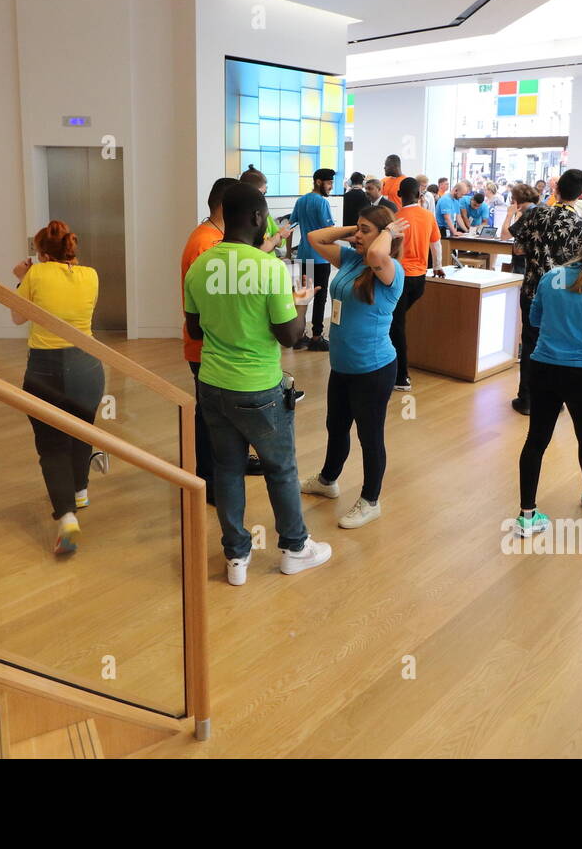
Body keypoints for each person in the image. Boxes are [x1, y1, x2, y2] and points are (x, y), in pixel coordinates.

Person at [184, 182, 330, 585]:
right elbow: (290, 336)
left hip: (212, 384)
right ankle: (295, 549)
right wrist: (300, 301)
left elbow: (194, 330)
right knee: (281, 469)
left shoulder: (201, 265)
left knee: (227, 469)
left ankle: (236, 558)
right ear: (256, 218)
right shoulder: (268, 268)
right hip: (260, 388)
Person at [299, 206, 406, 529]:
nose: (358, 236)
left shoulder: (390, 269)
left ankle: (370, 500)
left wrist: (385, 233)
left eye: (365, 230)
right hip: (342, 365)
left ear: (386, 237)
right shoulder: (350, 259)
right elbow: (314, 237)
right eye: (357, 229)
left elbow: (376, 254)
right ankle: (328, 479)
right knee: (336, 425)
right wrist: (356, 230)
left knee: (370, 437)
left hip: (373, 368)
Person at [513, 230, 582, 537]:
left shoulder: (552, 277)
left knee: (536, 439)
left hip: (544, 367)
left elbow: (534, 319)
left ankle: (527, 514)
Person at [10, 221, 104, 556]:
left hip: (44, 370)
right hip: (87, 366)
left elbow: (17, 318)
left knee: (51, 445)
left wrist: (22, 277)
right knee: (80, 432)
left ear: (42, 253)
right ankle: (79, 491)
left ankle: (67, 519)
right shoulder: (91, 275)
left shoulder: (35, 275)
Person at [508, 169, 582, 415]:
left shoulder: (536, 213)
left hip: (533, 288)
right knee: (560, 344)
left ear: (555, 190)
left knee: (532, 342)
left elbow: (518, 249)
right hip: (565, 294)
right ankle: (553, 400)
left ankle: (526, 398)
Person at [180, 178, 237, 506]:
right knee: (210, 416)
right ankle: (209, 479)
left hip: (209, 346)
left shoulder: (212, 237)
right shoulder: (207, 244)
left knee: (215, 414)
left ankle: (217, 473)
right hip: (205, 347)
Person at [388, 177, 442, 392]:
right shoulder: (428, 216)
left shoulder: (396, 218)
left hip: (400, 277)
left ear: (400, 194)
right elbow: (436, 245)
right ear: (419, 195)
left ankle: (401, 376)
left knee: (396, 326)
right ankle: (395, 369)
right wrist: (437, 266)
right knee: (395, 323)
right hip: (419, 279)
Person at [291, 168, 337, 352]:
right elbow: (330, 231)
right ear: (318, 182)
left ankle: (298, 336)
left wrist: (288, 252)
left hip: (303, 255)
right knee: (320, 297)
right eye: (329, 183)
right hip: (320, 257)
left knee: (302, 297)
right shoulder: (322, 203)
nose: (331, 187)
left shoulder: (301, 201)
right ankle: (317, 337)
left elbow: (291, 225)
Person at [239, 165, 293, 255]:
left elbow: (280, 243)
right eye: (261, 193)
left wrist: (278, 237)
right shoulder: (239, 217)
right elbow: (260, 249)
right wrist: (278, 236)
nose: (262, 198)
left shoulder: (265, 215)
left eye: (264, 194)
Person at [502, 182, 540, 277]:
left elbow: (504, 235)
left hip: (523, 264)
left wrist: (509, 214)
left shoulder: (528, 213)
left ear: (516, 199)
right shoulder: (537, 210)